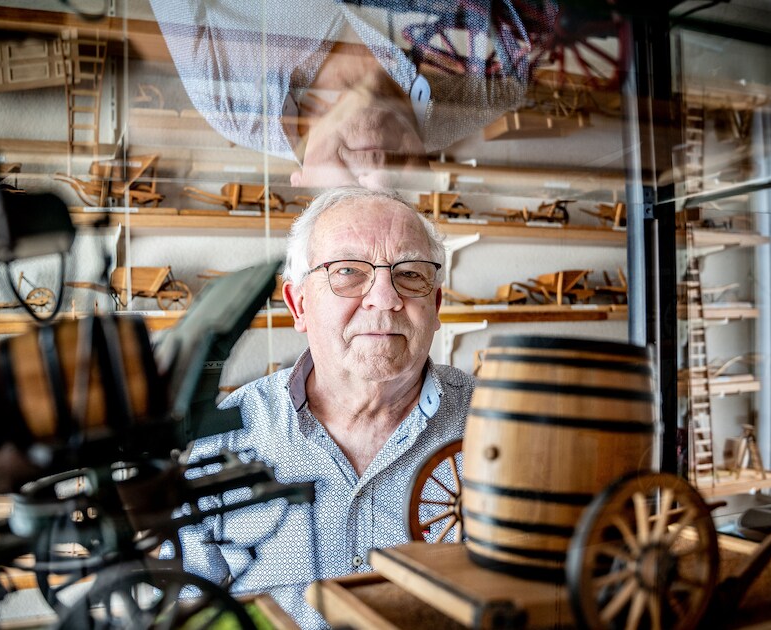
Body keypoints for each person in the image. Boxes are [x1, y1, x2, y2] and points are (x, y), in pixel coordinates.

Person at [173, 186, 473, 627]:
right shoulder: (226, 438)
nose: (385, 298)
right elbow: (184, 609)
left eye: (410, 274)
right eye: (348, 271)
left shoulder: (498, 425)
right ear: (299, 305)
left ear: (437, 303)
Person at [151, 0, 548, 189]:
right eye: (397, 196)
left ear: (303, 181)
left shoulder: (225, 90)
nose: (375, 175)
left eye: (348, 199)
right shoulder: (485, 90)